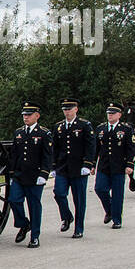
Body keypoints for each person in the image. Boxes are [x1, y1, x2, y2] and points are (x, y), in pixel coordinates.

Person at [8, 102, 53, 248]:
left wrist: (44, 174)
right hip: (19, 175)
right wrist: (11, 173)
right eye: (24, 115)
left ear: (37, 116)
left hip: (35, 176)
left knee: (34, 206)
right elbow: (14, 154)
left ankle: (35, 236)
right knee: (14, 200)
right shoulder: (19, 132)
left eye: (29, 115)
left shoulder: (44, 133)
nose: (25, 117)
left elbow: (47, 156)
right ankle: (23, 224)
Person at [52, 98, 96, 238]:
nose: (67, 112)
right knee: (59, 193)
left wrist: (88, 164)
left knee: (79, 199)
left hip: (79, 167)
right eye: (65, 109)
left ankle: (79, 228)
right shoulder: (59, 126)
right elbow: (55, 148)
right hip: (63, 167)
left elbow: (90, 146)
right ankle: (67, 216)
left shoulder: (84, 125)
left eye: (69, 109)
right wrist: (53, 166)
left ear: (76, 109)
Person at [92, 102, 135, 229]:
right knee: (100, 188)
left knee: (117, 193)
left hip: (119, 166)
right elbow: (96, 148)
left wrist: (130, 164)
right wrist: (93, 164)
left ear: (119, 115)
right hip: (104, 165)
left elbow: (131, 148)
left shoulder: (126, 129)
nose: (110, 116)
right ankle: (110, 210)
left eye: (113, 113)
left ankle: (117, 219)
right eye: (108, 113)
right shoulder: (101, 128)